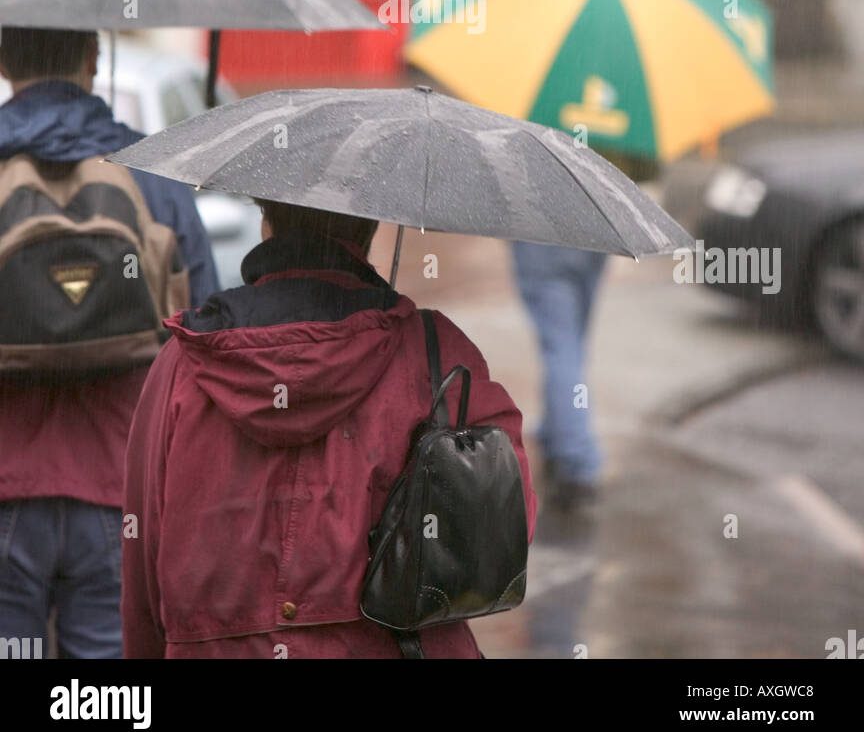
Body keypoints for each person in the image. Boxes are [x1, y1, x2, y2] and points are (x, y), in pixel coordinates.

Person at [123, 199, 537, 658]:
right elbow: (506, 523)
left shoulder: (181, 364)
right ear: (367, 229)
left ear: (266, 226)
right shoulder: (436, 352)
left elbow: (143, 552)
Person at [0, 27, 218, 659]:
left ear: (3, 60)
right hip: (121, 490)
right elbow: (205, 341)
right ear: (93, 59)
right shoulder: (154, 174)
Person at [510, 241, 606, 512]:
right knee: (571, 341)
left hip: (541, 234)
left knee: (561, 346)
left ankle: (576, 460)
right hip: (592, 231)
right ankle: (555, 433)